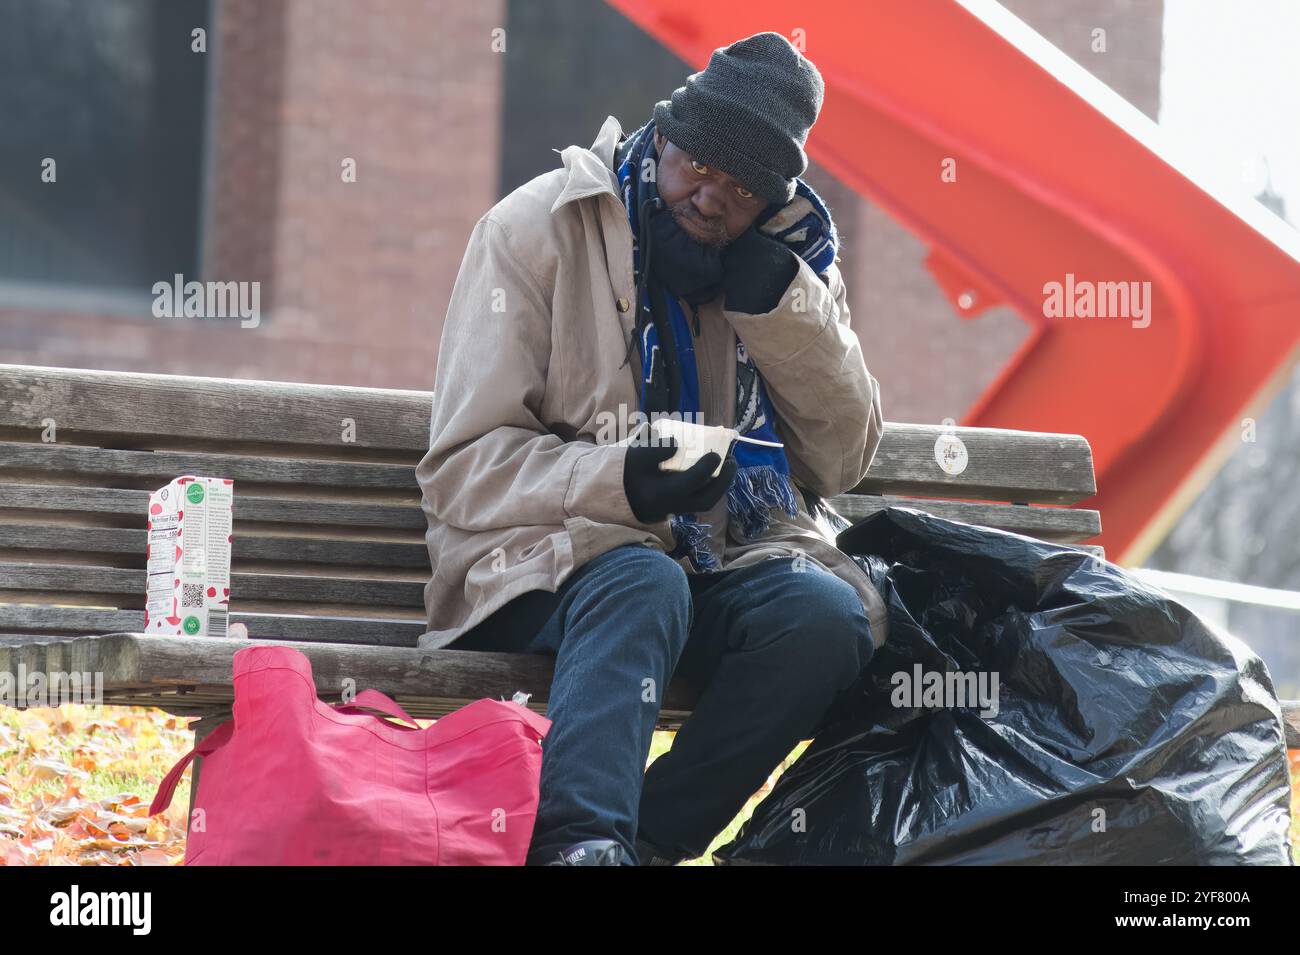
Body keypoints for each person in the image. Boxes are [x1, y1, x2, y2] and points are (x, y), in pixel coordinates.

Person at [416, 31, 887, 866]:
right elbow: (462, 471)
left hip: (716, 563)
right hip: (535, 563)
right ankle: (581, 843)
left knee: (826, 619)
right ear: (664, 136)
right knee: (641, 579)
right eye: (697, 166)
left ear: (770, 201)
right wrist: (620, 479)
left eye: (742, 190)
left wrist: (786, 315)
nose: (709, 198)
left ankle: (640, 847)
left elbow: (840, 463)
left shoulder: (789, 271)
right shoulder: (537, 229)